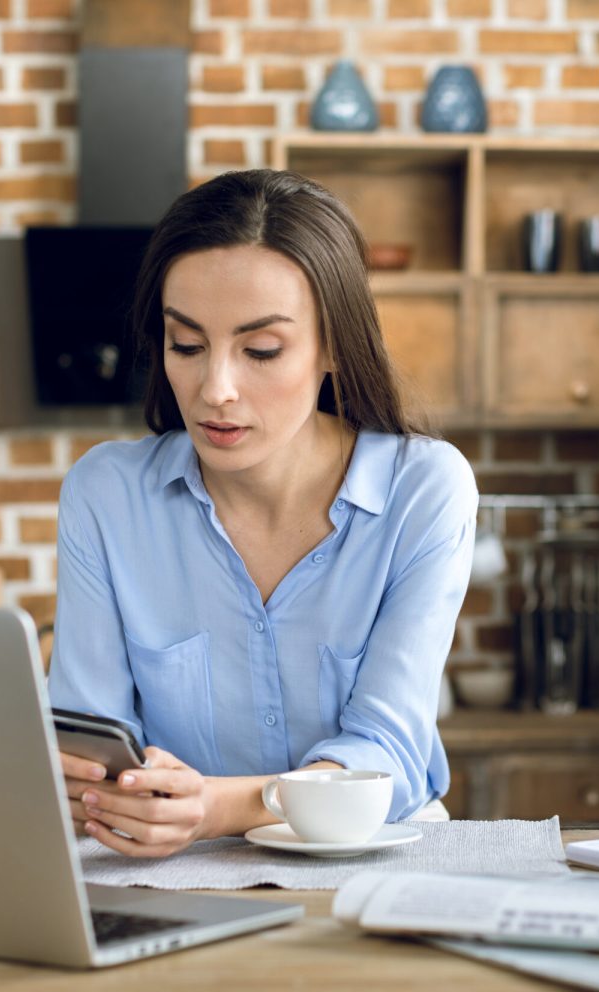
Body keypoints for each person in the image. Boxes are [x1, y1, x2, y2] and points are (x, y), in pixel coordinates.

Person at [48, 169, 476, 858]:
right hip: (167, 864)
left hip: (374, 859)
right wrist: (92, 788)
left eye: (262, 350)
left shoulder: (422, 491)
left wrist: (217, 806)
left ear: (334, 346)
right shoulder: (107, 496)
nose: (215, 389)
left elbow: (387, 750)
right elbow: (88, 740)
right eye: (186, 345)